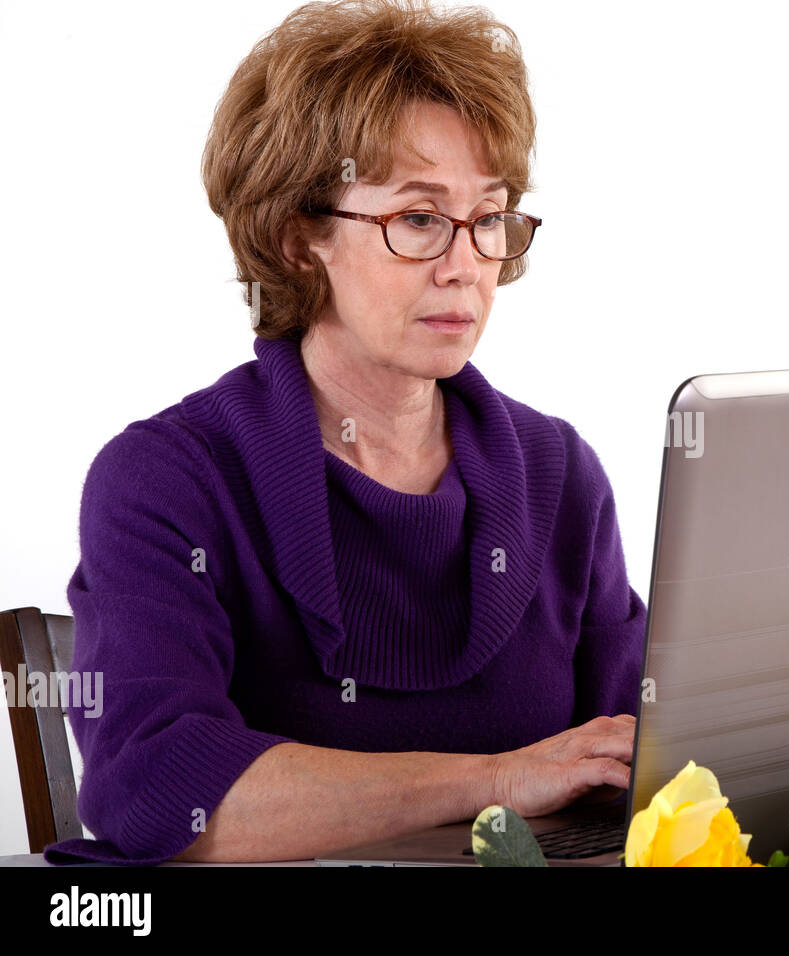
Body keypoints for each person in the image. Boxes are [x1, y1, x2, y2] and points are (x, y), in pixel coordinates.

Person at [44, 0, 645, 865]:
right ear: (299, 238)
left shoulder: (559, 473)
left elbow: (659, 762)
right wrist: (493, 781)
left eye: (489, 217)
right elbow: (157, 788)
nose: (466, 263)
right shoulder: (168, 477)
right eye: (418, 218)